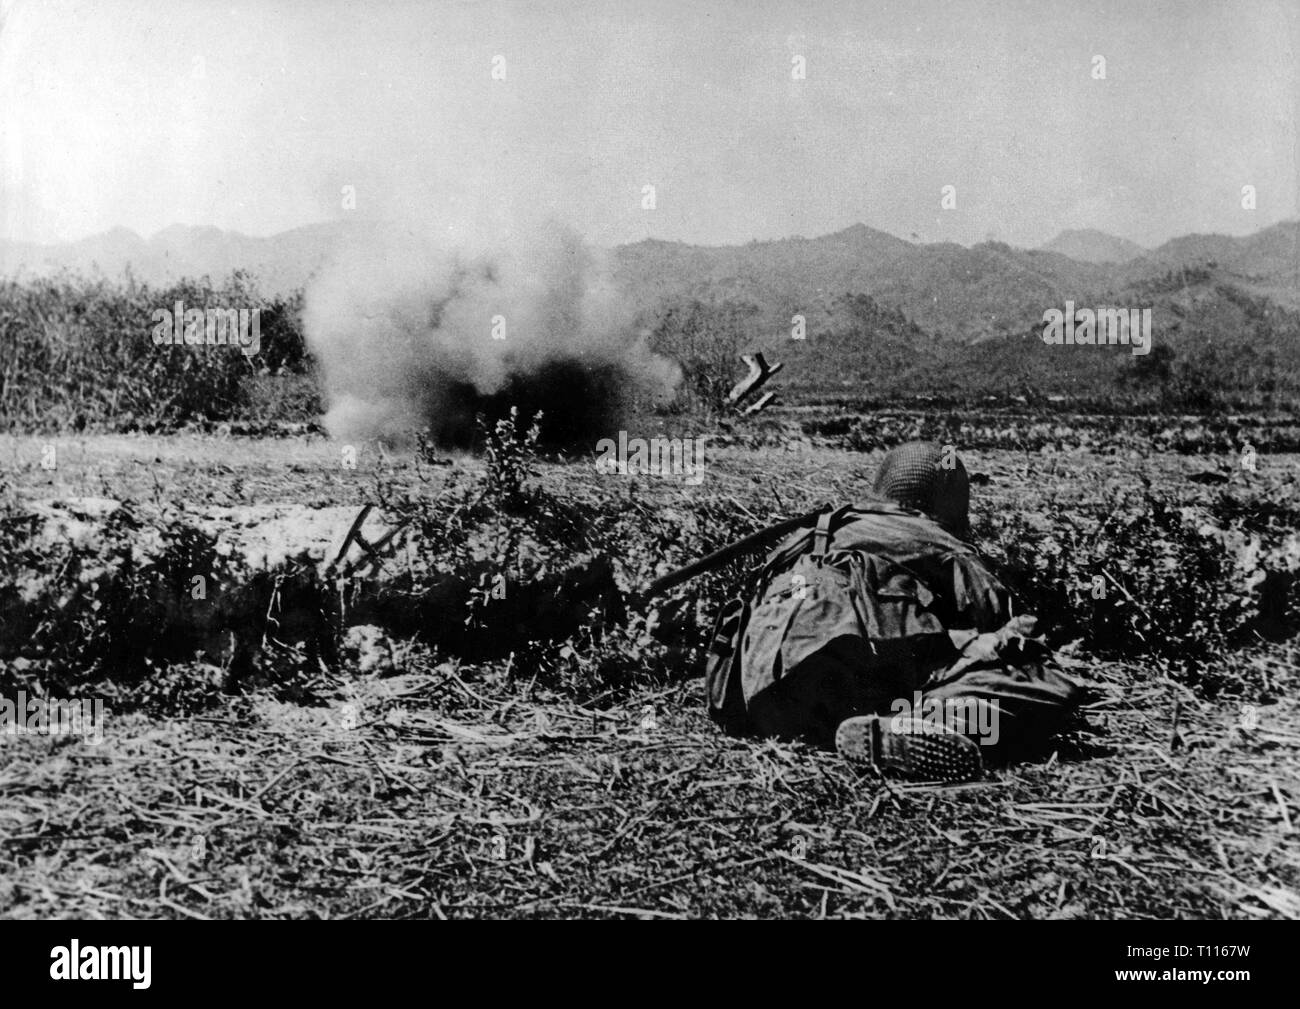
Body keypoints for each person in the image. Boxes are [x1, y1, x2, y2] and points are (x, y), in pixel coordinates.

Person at [704, 441, 1081, 782]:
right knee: (1040, 686)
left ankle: (863, 727)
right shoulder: (931, 538)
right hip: (858, 680)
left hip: (763, 698)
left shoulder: (810, 534)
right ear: (945, 498)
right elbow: (997, 615)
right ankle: (911, 724)